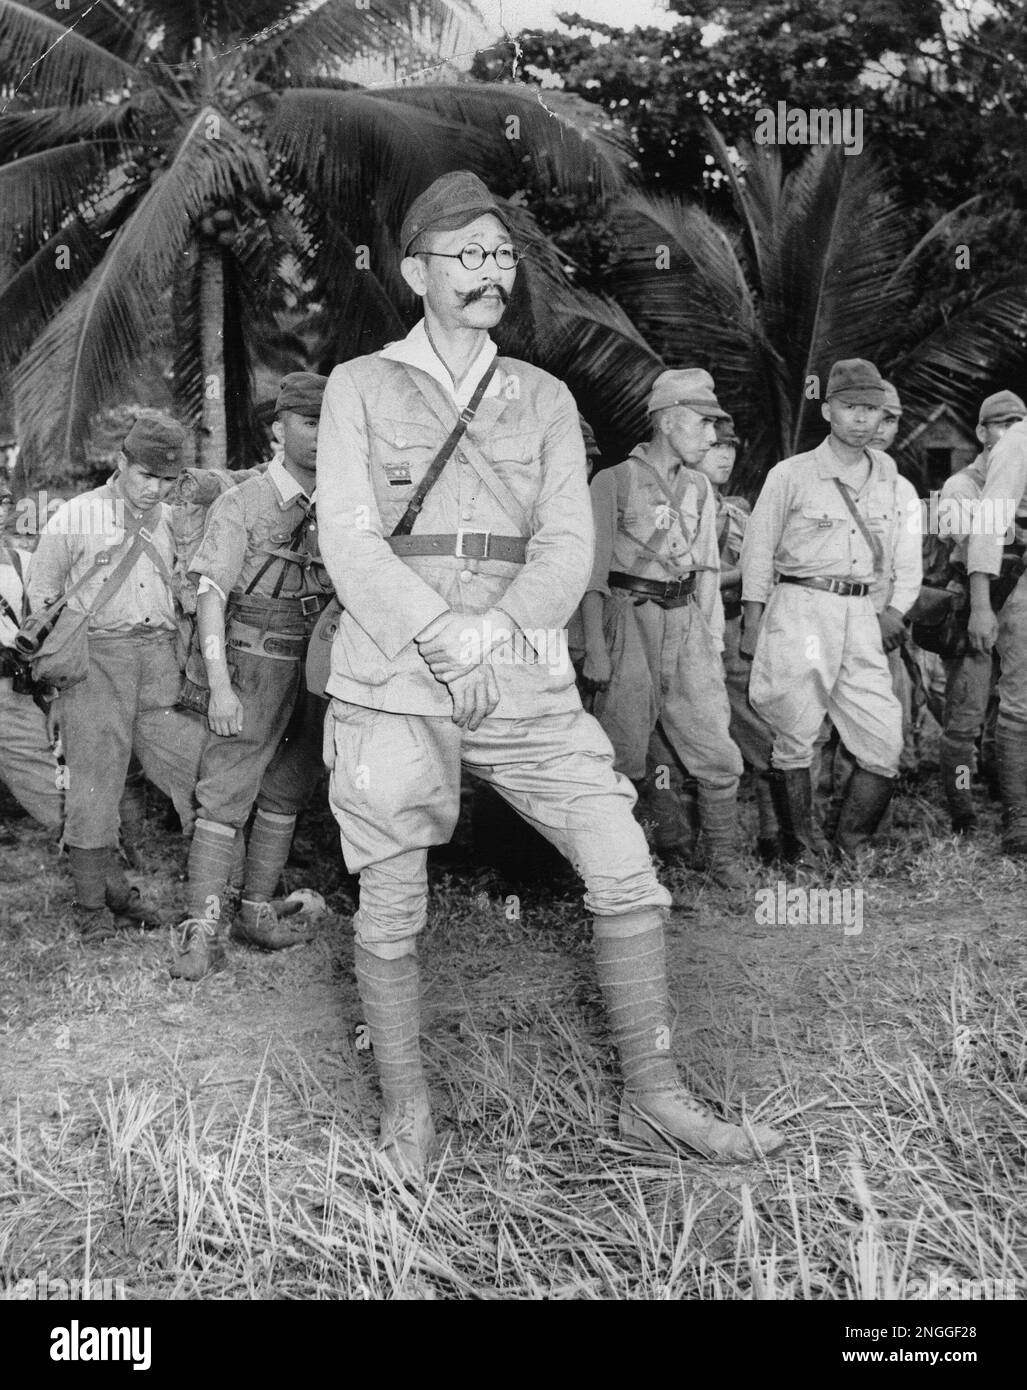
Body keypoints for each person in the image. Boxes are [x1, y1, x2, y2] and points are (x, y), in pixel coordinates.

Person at [316, 170, 785, 1178]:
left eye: (499, 255)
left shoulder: (543, 397)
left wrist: (496, 635)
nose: (489, 274)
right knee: (393, 906)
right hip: (395, 673)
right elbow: (349, 544)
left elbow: (569, 547)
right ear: (413, 273)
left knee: (624, 868)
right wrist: (443, 633)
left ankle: (651, 1097)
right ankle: (409, 1119)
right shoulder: (359, 385)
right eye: (466, 256)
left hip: (520, 668)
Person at [170, 373, 334, 980]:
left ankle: (257, 911)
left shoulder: (344, 500)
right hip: (253, 660)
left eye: (328, 423)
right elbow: (210, 595)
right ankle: (200, 927)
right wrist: (219, 685)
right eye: (308, 422)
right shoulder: (243, 502)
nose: (320, 436)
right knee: (227, 792)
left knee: (289, 785)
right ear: (278, 428)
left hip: (317, 665)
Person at [25, 415, 202, 940]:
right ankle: (93, 912)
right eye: (147, 475)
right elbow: (42, 594)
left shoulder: (174, 519)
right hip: (97, 659)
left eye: (168, 480)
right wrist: (63, 662)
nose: (157, 489)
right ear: (121, 464)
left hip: (161, 659)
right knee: (95, 786)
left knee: (195, 770)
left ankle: (213, 897)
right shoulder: (76, 517)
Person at [740, 359, 922, 864]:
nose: (862, 420)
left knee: (884, 740)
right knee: (796, 735)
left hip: (860, 612)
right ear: (828, 410)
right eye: (850, 408)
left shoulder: (888, 477)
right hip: (801, 606)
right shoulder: (792, 475)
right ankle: (801, 850)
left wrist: (891, 609)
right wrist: (753, 623)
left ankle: (849, 846)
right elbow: (757, 552)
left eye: (872, 410)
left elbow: (898, 557)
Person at [579, 370, 746, 888]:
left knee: (713, 743)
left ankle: (723, 860)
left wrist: (709, 638)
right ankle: (625, 870)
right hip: (629, 623)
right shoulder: (613, 480)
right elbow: (592, 572)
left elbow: (706, 570)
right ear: (668, 420)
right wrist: (596, 651)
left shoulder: (698, 486)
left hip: (686, 620)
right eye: (703, 423)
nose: (712, 437)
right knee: (623, 749)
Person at [934, 391, 1025, 833]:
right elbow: (967, 542)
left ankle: (1002, 793)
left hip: (1013, 608)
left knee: (1009, 708)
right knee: (964, 721)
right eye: (1000, 424)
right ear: (981, 432)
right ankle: (963, 807)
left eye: (1017, 423)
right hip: (973, 607)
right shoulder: (959, 486)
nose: (1008, 433)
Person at [965, 398, 1027, 854]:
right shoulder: (1019, 441)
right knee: (1020, 705)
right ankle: (1019, 819)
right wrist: (981, 604)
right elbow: (989, 523)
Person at [0, 487, 63, 840]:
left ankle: (94, 862)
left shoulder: (24, 562)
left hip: (18, 688)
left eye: (2, 501)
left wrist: (53, 694)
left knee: (47, 787)